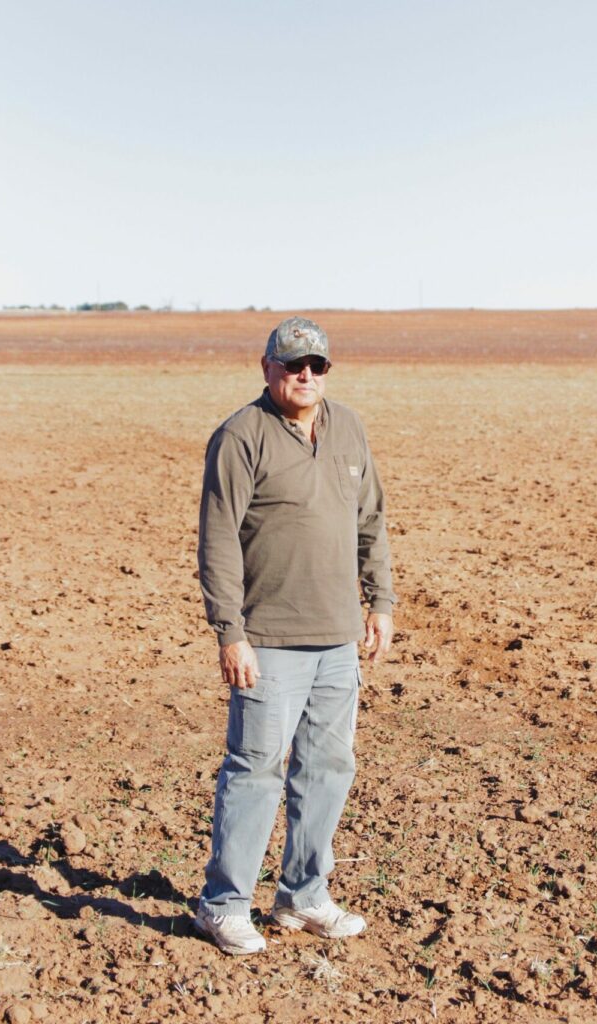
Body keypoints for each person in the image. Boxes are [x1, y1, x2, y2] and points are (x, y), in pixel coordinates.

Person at [194, 316, 396, 955]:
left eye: (317, 367)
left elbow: (372, 520)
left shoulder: (350, 429)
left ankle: (303, 896)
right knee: (254, 769)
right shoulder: (240, 436)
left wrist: (380, 601)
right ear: (267, 368)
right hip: (268, 640)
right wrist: (231, 633)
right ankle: (223, 905)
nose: (305, 376)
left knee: (328, 768)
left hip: (338, 640)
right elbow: (219, 540)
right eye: (293, 365)